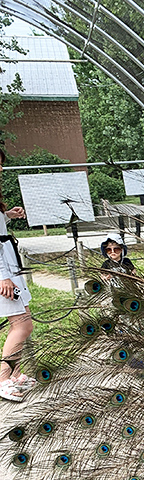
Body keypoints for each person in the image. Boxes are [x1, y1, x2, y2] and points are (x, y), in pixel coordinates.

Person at [0, 148, 34, 403]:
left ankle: (15, 373)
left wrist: (7, 216)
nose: (0, 169)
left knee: (22, 321)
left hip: (9, 265)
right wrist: (2, 276)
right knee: (22, 323)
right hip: (3, 271)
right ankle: (3, 379)